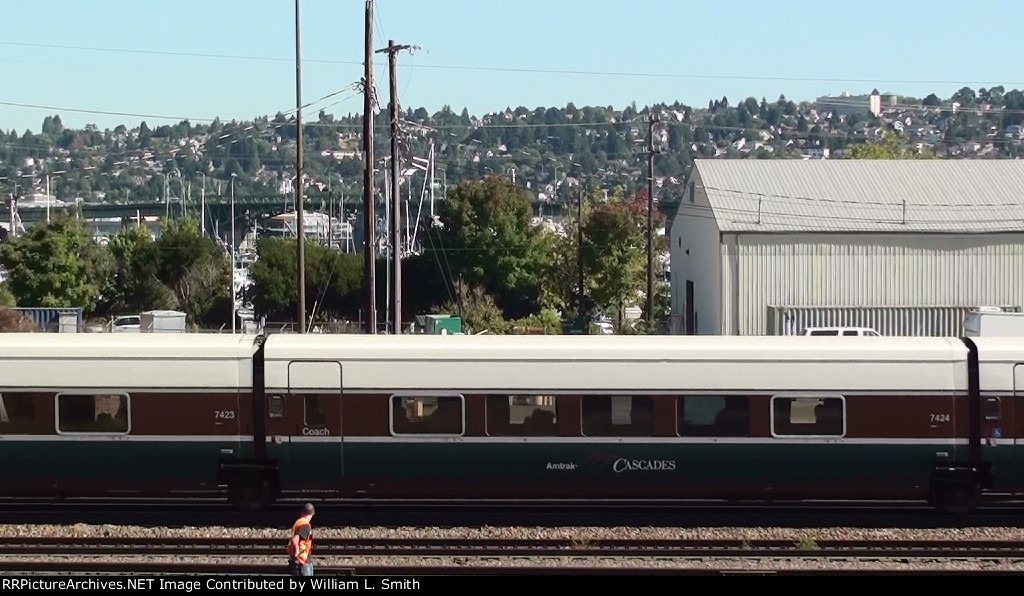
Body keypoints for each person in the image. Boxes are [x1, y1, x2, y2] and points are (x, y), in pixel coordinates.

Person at [286, 503, 315, 576]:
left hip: (298, 560)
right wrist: (297, 551)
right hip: (303, 561)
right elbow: (295, 539)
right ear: (311, 514)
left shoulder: (298, 522)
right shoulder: (305, 525)